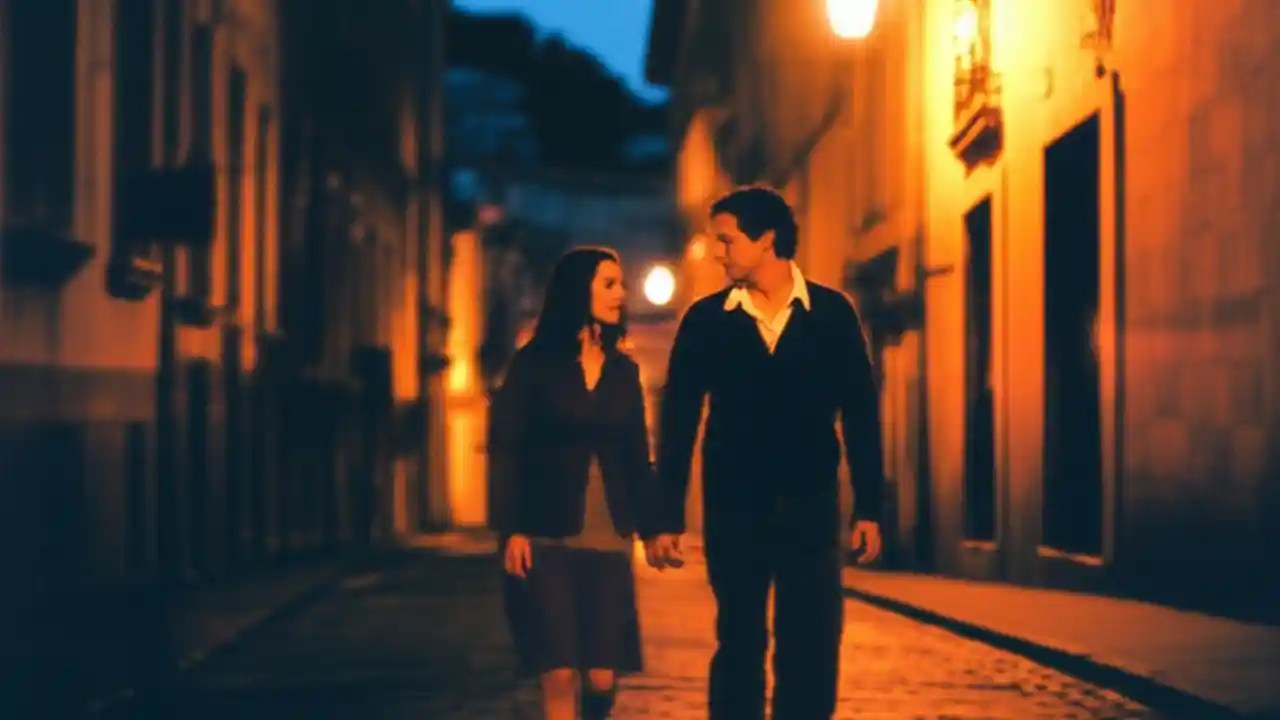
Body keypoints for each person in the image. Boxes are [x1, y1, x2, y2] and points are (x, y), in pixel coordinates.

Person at [641, 186, 885, 719]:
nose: (719, 252)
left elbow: (862, 412)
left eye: (727, 240)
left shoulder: (830, 314)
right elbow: (679, 417)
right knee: (739, 641)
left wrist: (869, 507)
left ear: (766, 237)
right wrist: (666, 517)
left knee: (812, 644)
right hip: (735, 509)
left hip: (811, 506)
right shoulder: (707, 321)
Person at [489, 246, 653, 720]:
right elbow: (508, 448)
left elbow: (636, 456)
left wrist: (657, 525)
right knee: (559, 674)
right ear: (578, 289)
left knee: (602, 678)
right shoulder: (534, 364)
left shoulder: (624, 371)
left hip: (609, 536)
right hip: (545, 533)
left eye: (621, 284)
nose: (621, 294)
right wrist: (512, 527)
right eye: (609, 284)